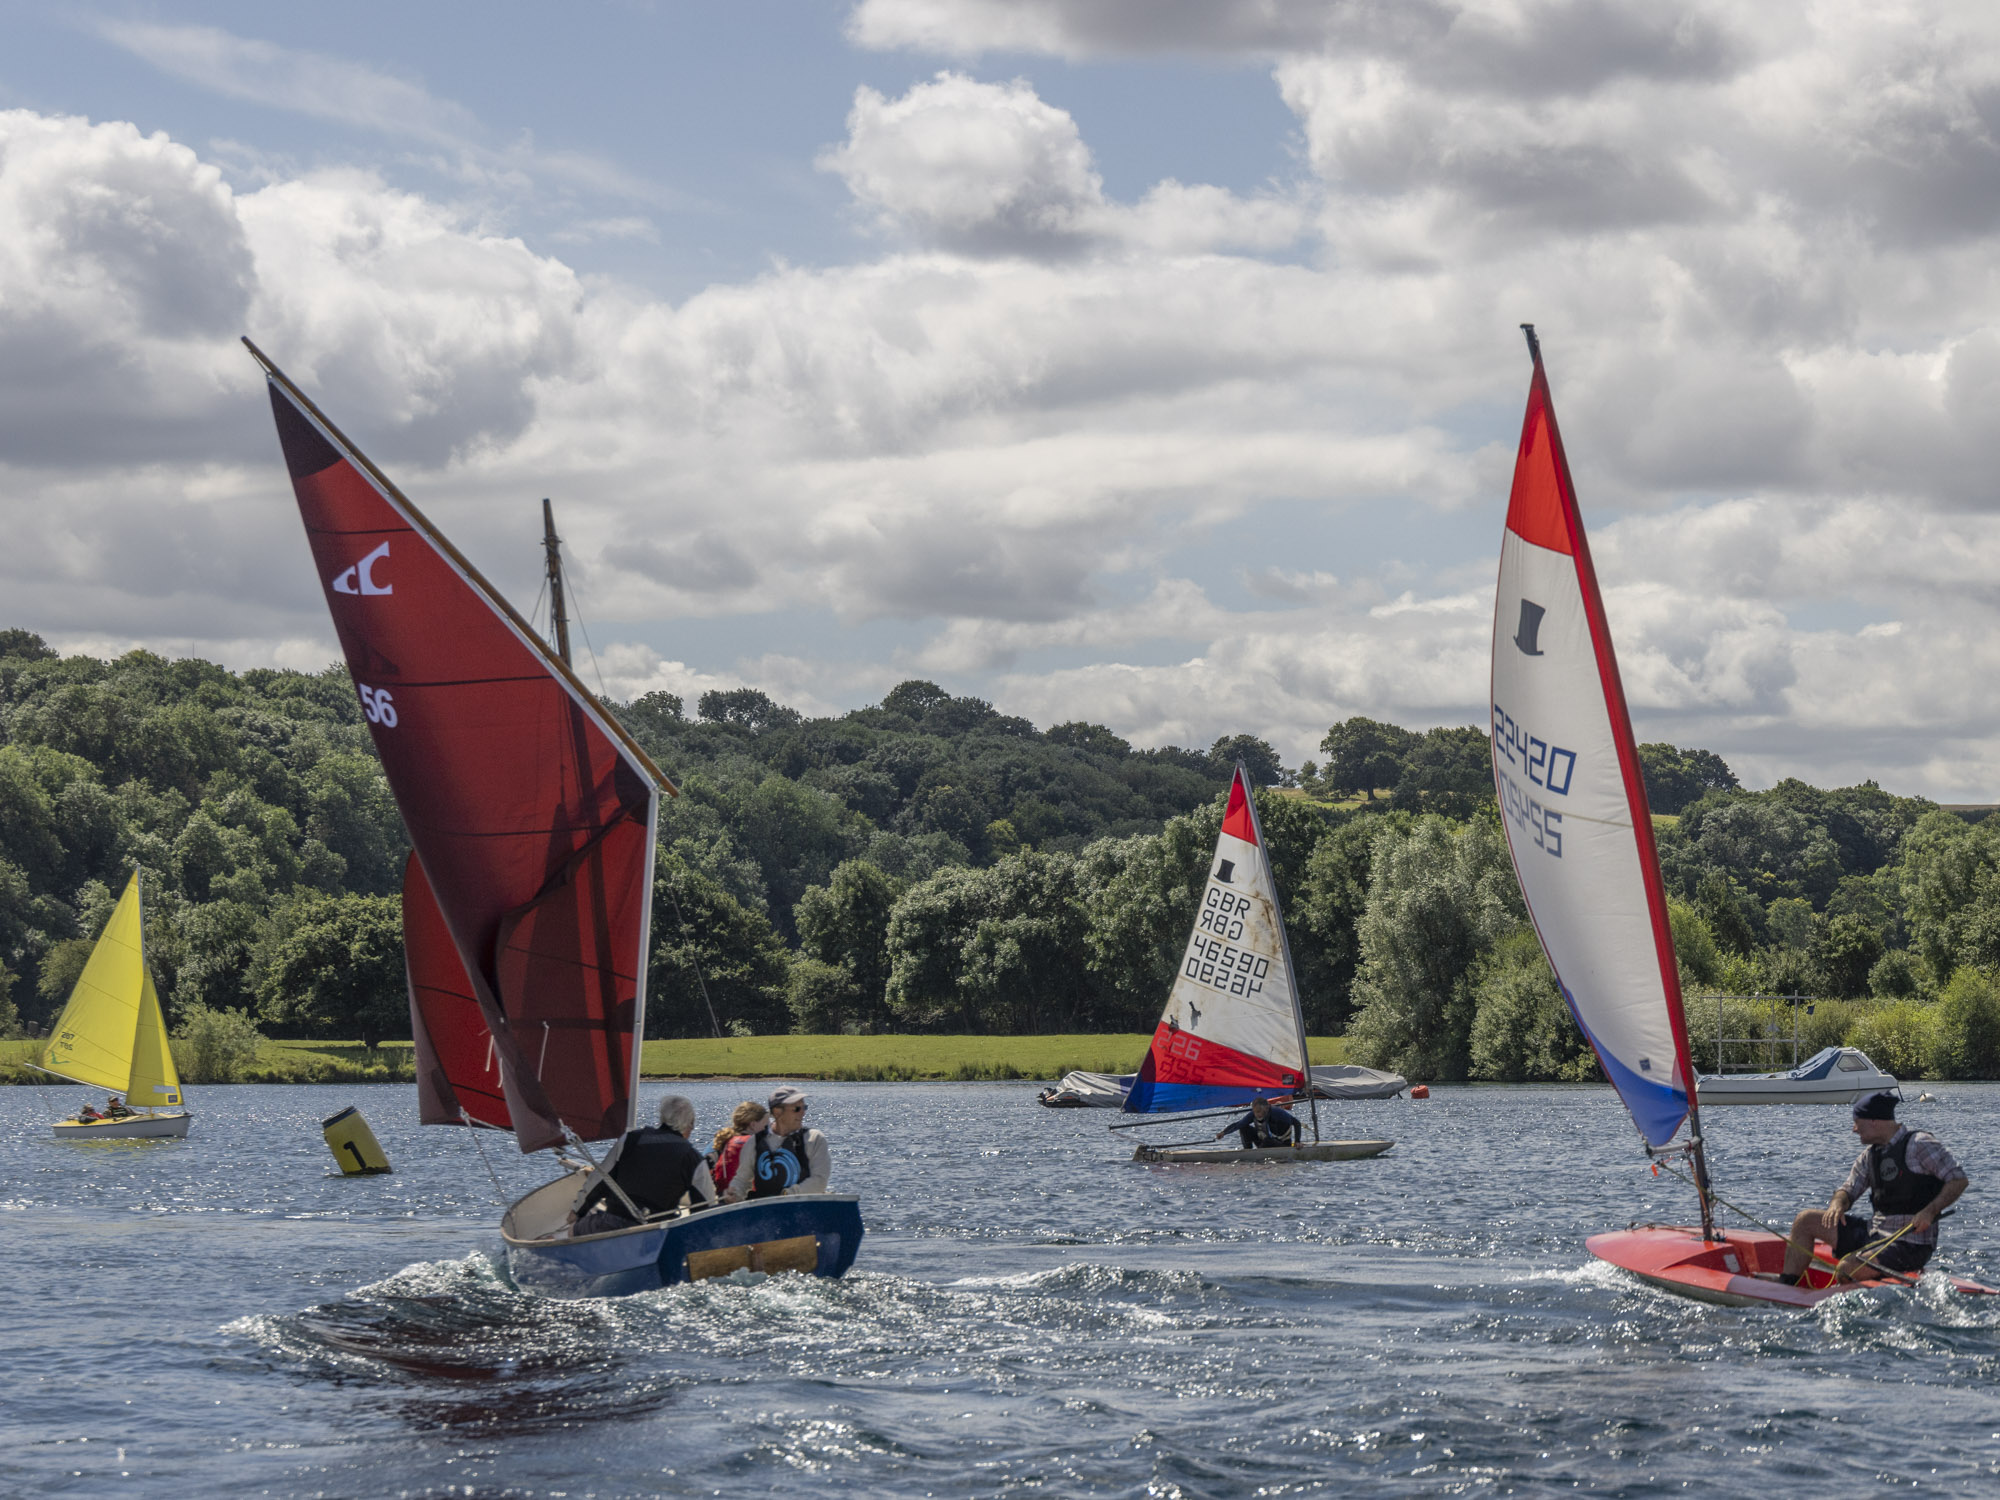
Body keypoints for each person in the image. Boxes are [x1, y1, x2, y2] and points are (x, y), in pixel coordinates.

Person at [1779, 1090, 1967, 1284]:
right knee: (1805, 1220)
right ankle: (1786, 1285)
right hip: (1874, 1234)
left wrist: (1930, 1211)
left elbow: (1958, 1180)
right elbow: (1848, 1190)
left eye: (1857, 1122)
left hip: (1910, 1244)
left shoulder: (1920, 1144)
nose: (1853, 1129)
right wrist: (1837, 1204)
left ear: (1874, 1121)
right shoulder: (1870, 1156)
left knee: (1847, 1268)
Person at [570, 1094, 717, 1237]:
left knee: (571, 1231)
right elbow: (706, 1207)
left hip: (613, 1224)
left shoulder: (631, 1139)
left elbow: (600, 1179)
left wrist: (577, 1211)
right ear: (689, 1124)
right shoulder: (693, 1158)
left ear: (663, 1117)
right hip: (656, 1234)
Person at [727, 1086, 831, 1199]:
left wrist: (787, 1195)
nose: (803, 1113)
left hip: (803, 1209)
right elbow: (742, 1180)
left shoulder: (814, 1139)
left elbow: (820, 1181)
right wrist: (734, 1193)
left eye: (804, 1107)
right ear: (777, 1111)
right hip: (764, 1212)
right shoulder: (754, 1143)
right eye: (796, 1109)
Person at [714, 1101, 770, 1204]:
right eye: (766, 1126)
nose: (768, 1130)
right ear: (753, 1125)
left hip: (722, 1196)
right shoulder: (754, 1143)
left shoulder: (727, 1141)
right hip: (743, 1199)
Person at [1215, 1096, 1303, 1150]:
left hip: (1282, 1144)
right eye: (1256, 1111)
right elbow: (1238, 1124)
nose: (1258, 1114)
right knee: (1244, 1127)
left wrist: (1297, 1141)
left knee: (1267, 1141)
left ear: (1267, 1108)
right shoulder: (1254, 1114)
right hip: (1264, 1143)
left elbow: (1297, 1123)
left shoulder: (1278, 1113)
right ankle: (1248, 1151)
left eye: (1260, 1111)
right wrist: (1224, 1132)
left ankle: (1258, 1153)